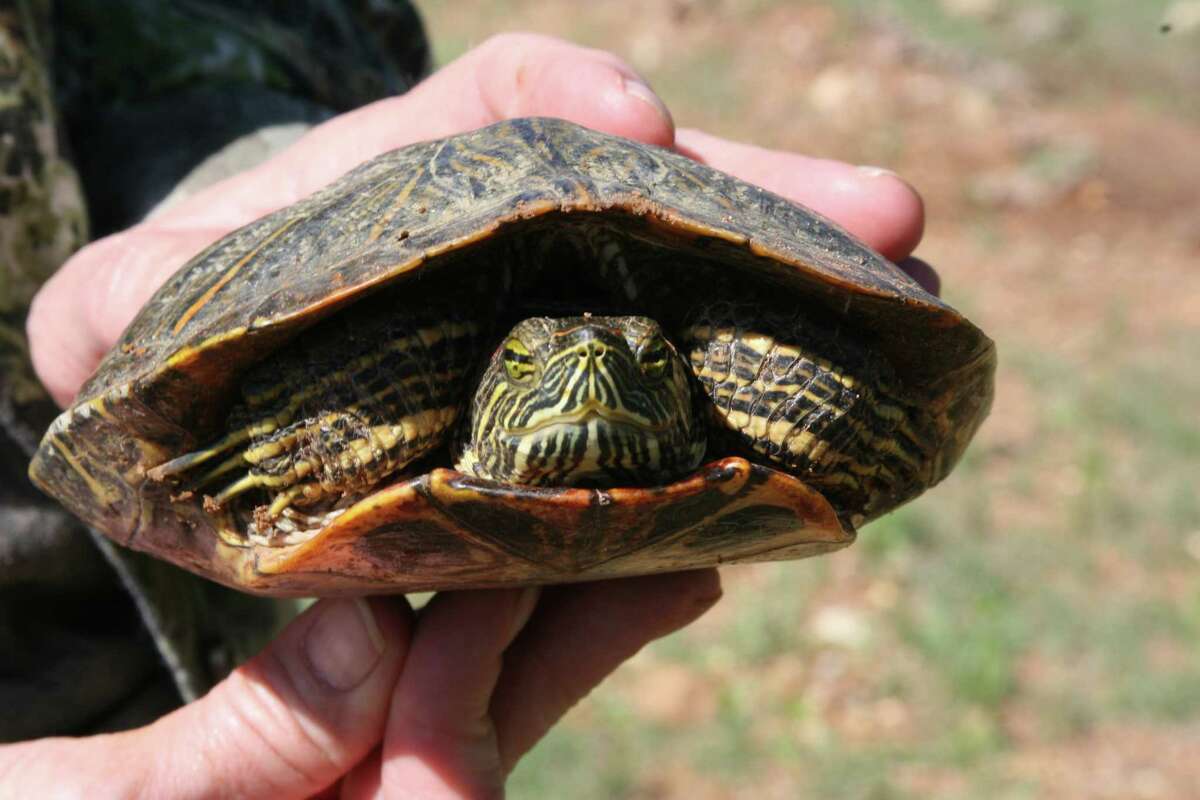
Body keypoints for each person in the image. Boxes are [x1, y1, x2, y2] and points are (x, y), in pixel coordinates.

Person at [2, 33, 932, 798]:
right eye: (532, 366)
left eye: (644, 363)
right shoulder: (440, 357)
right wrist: (283, 439)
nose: (592, 373)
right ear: (487, 378)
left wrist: (225, 164)